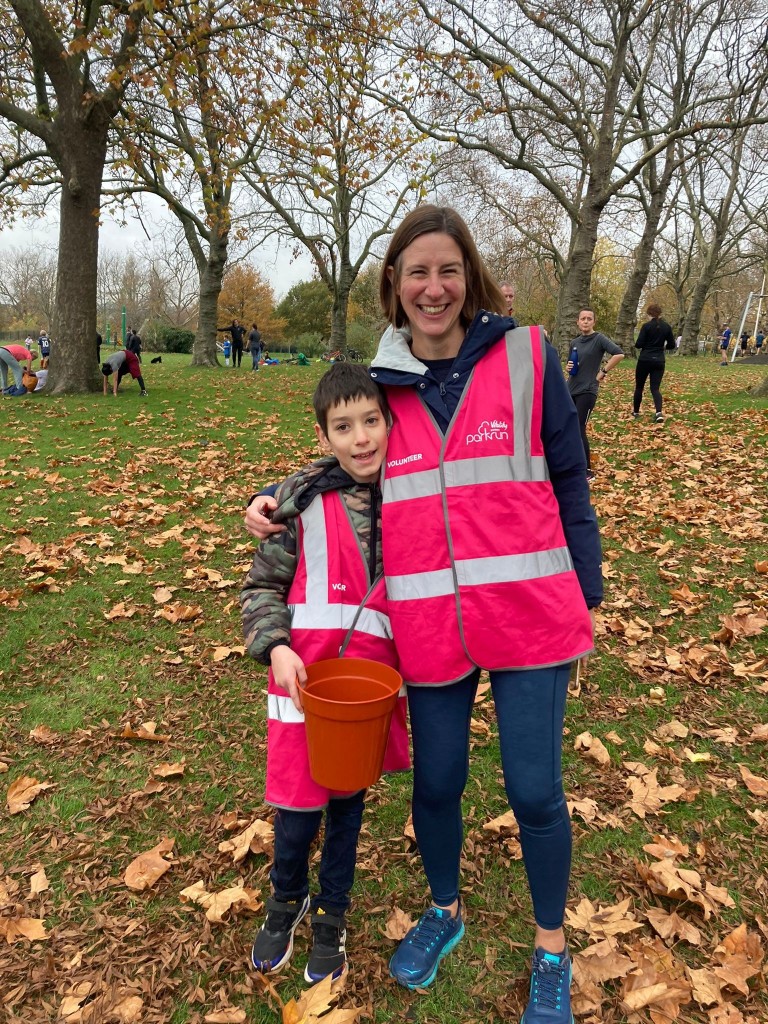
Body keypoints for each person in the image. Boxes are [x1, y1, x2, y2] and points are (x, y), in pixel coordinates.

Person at [246, 205, 602, 1024]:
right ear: (394, 288)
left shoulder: (527, 355)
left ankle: (552, 949)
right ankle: (446, 911)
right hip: (429, 626)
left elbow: (571, 476)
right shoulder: (387, 383)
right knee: (436, 785)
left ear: (468, 275)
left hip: (531, 617)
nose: (433, 288)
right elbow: (349, 450)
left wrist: (588, 590)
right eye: (416, 274)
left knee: (536, 790)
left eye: (447, 270)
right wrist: (275, 497)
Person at [240, 363, 409, 985]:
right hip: (302, 690)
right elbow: (262, 585)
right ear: (324, 436)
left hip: (366, 697)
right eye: (344, 426)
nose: (361, 438)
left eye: (371, 421)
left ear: (390, 423)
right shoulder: (301, 505)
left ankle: (332, 911)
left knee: (347, 808)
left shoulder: (412, 498)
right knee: (297, 810)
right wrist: (274, 645)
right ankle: (287, 896)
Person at [566, 309, 624, 481]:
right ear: (577, 322)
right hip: (571, 388)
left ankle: (587, 471)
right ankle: (571, 464)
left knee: (579, 427)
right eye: (582, 318)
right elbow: (572, 364)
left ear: (593, 322)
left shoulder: (599, 339)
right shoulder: (574, 342)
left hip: (588, 390)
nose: (585, 321)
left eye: (589, 319)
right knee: (569, 428)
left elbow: (619, 354)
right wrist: (569, 367)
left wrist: (603, 371)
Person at [632, 303, 675, 423]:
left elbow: (639, 344)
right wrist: (662, 346)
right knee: (655, 388)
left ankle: (636, 412)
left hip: (645, 359)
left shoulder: (646, 327)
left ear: (648, 314)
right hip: (659, 360)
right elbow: (672, 345)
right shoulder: (666, 327)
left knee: (639, 387)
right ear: (660, 314)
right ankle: (658, 412)